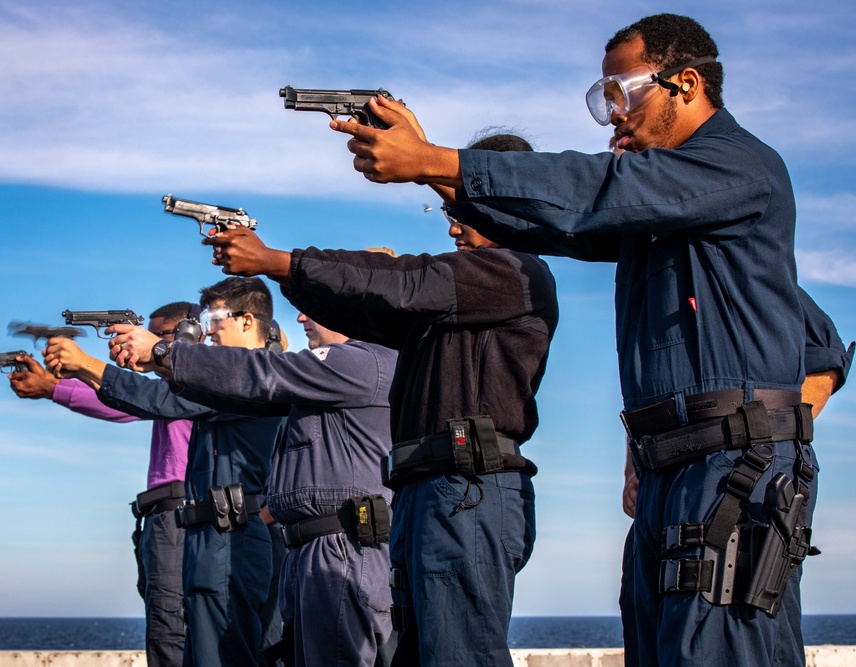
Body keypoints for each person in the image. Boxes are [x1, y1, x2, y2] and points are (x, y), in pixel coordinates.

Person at [326, 11, 823, 666]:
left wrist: (435, 158)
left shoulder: (737, 167)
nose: (612, 113)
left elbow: (599, 190)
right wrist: (432, 174)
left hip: (733, 469)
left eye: (624, 93)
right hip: (672, 471)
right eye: (602, 98)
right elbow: (564, 222)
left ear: (686, 84)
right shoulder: (657, 212)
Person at [202, 131, 558, 667]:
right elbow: (365, 311)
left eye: (464, 208)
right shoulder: (463, 290)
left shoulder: (509, 272)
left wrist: (280, 262)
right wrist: (281, 271)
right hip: (432, 492)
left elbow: (402, 281)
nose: (454, 225)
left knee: (459, 656)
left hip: (468, 491)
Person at [108, 306, 398, 667]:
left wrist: (165, 354)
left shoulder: (358, 363)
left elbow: (256, 376)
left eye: (315, 308)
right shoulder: (328, 373)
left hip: (333, 546)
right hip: (309, 545)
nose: (302, 318)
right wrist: (167, 364)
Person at [46, 277, 286, 667]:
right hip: (215, 532)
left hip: (229, 534)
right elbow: (162, 398)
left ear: (246, 321)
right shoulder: (246, 373)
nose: (209, 330)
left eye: (217, 319)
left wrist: (85, 364)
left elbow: (160, 400)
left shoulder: (249, 374)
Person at [618, 287, 854, 665]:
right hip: (666, 496)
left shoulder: (735, 276)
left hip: (734, 487)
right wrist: (635, 467)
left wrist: (753, 432)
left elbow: (825, 358)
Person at [9, 301, 200, 667]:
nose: (140, 342)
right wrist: (56, 386)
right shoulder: (185, 385)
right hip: (169, 516)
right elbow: (127, 400)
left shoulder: (192, 385)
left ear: (187, 336)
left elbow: (131, 402)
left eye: (156, 336)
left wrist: (63, 382)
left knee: (170, 633)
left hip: (177, 515)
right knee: (175, 629)